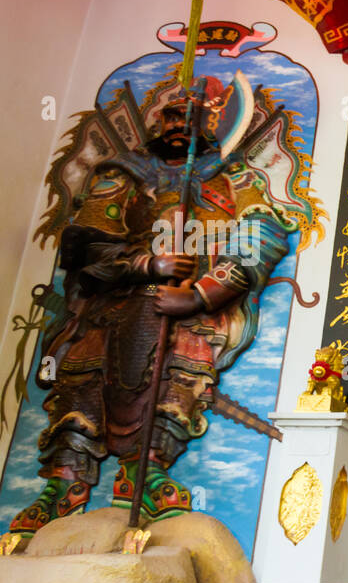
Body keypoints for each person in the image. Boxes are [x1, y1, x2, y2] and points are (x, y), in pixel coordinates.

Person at [10, 75, 294, 535]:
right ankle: (66, 480)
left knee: (182, 368)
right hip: (118, 295)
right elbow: (86, 245)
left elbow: (262, 232)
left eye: (192, 117)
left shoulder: (232, 175)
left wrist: (203, 293)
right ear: (157, 120)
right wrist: (145, 265)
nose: (179, 124)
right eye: (172, 116)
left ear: (213, 124)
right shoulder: (125, 173)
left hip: (191, 296)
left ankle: (147, 470)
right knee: (82, 371)